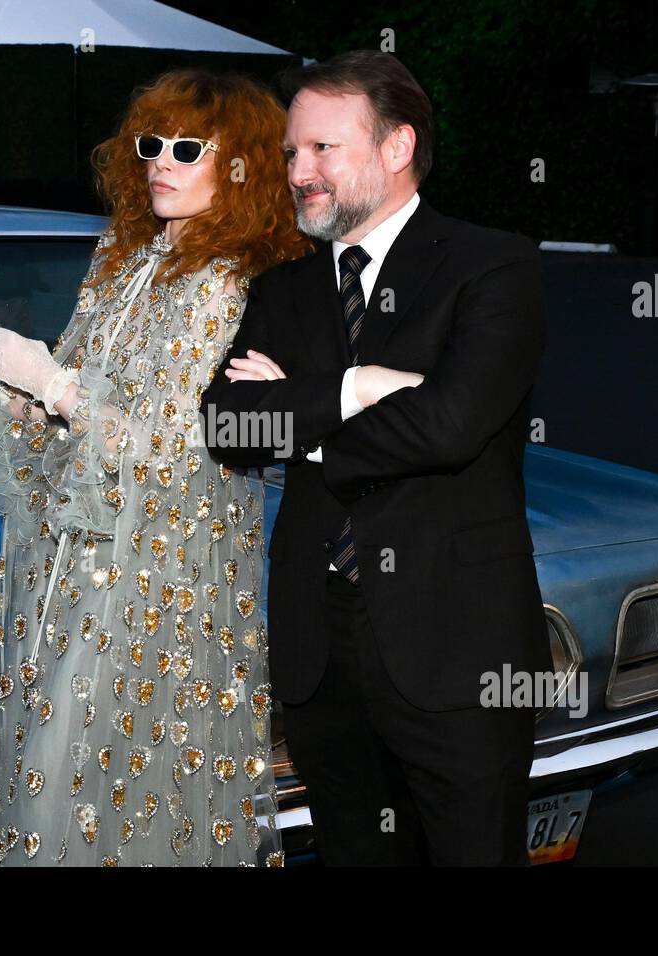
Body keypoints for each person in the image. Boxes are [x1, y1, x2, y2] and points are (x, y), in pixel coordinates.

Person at [0, 69, 313, 867]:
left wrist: (51, 382)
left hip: (158, 588)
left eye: (189, 148)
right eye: (152, 144)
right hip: (73, 575)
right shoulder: (125, 261)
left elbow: (175, 447)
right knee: (52, 782)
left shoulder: (227, 284)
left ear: (240, 166)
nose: (162, 162)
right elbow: (74, 424)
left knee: (129, 794)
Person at [199, 50, 553, 866]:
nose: (299, 171)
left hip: (459, 649)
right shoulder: (280, 287)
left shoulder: (492, 265)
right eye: (293, 152)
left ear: (397, 148)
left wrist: (303, 409)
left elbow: (450, 424)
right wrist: (356, 386)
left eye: (324, 149)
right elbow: (228, 427)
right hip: (318, 650)